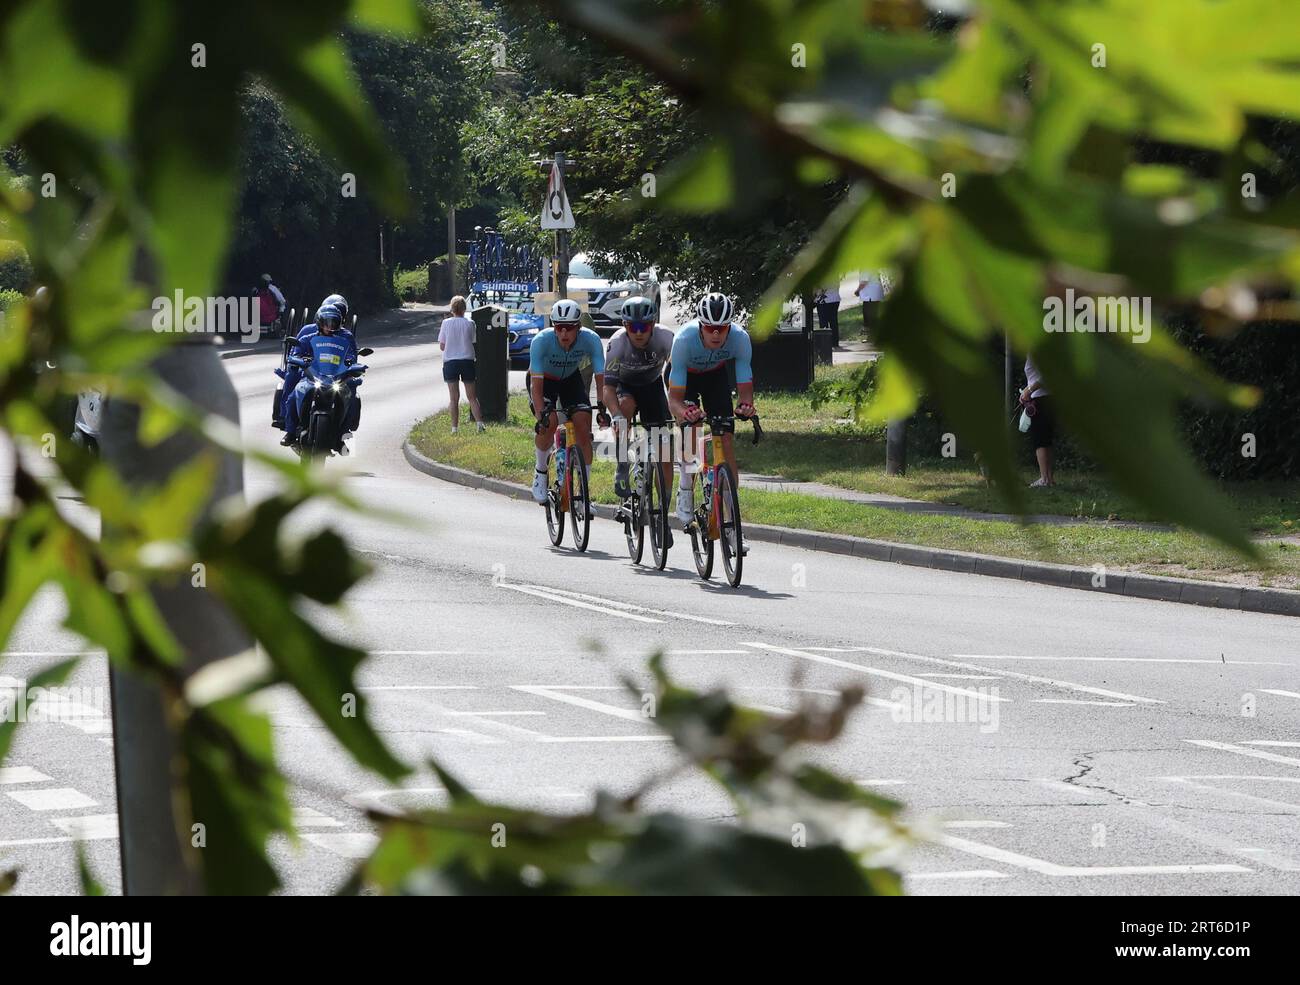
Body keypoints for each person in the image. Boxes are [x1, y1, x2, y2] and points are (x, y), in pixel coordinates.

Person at [667, 292, 756, 531]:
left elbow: (745, 387)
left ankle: (732, 521)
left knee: (726, 439)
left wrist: (746, 405)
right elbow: (674, 401)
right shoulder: (684, 340)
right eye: (709, 328)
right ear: (700, 326)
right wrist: (684, 412)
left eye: (722, 328)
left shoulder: (740, 339)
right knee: (692, 430)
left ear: (730, 326)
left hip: (715, 376)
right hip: (685, 378)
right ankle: (685, 490)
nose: (716, 334)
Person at [601, 297, 675, 544]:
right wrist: (617, 416)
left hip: (653, 386)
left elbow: (677, 375)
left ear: (653, 324)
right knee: (626, 408)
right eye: (634, 327)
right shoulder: (617, 344)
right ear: (625, 325)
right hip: (625, 386)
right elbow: (607, 390)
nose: (640, 332)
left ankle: (662, 514)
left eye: (645, 326)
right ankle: (622, 464)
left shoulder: (666, 339)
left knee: (665, 450)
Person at [529, 299, 609, 508]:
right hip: (544, 381)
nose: (564, 333)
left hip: (570, 380)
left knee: (583, 421)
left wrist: (602, 408)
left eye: (570, 328)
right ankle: (540, 471)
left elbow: (601, 379)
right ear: (553, 326)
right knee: (550, 422)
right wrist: (540, 416)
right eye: (559, 327)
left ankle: (583, 494)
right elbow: (535, 388)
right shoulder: (541, 341)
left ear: (579, 327)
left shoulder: (590, 340)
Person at [280, 304, 357, 446]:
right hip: (311, 377)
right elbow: (296, 352)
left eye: (333, 323)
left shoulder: (344, 340)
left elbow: (352, 356)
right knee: (293, 397)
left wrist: (353, 364)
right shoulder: (308, 338)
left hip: (335, 378)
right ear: (319, 323)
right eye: (326, 323)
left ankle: (342, 435)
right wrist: (297, 359)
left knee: (349, 398)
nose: (329, 327)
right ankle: (290, 432)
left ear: (339, 324)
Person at [438, 296, 485, 434]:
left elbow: (442, 346)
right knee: (472, 396)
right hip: (467, 360)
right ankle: (479, 424)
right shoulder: (470, 323)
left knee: (454, 398)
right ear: (464, 309)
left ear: (452, 309)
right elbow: (472, 340)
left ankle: (454, 428)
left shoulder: (446, 323)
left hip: (450, 362)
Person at [1021, 353, 1054, 487]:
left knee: (1039, 440)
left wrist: (1028, 391)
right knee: (1046, 440)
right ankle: (1049, 478)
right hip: (1047, 397)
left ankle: (1044, 479)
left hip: (1040, 399)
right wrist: (1025, 392)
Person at [856, 272, 883, 340]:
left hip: (870, 296)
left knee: (869, 317)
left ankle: (873, 338)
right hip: (873, 295)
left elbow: (864, 281)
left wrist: (857, 291)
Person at [815, 282, 841, 347]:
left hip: (824, 301)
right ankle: (835, 342)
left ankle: (825, 342)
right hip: (834, 299)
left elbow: (823, 288)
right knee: (833, 321)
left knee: (823, 321)